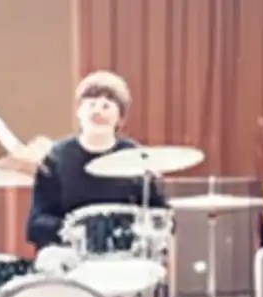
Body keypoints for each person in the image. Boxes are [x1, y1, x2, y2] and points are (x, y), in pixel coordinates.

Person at [25, 71, 168, 270]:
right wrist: (72, 230)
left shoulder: (136, 158)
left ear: (120, 118)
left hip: (123, 256)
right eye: (91, 104)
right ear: (78, 112)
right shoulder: (57, 158)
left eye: (107, 106)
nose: (98, 111)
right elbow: (36, 224)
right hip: (70, 254)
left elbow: (161, 217)